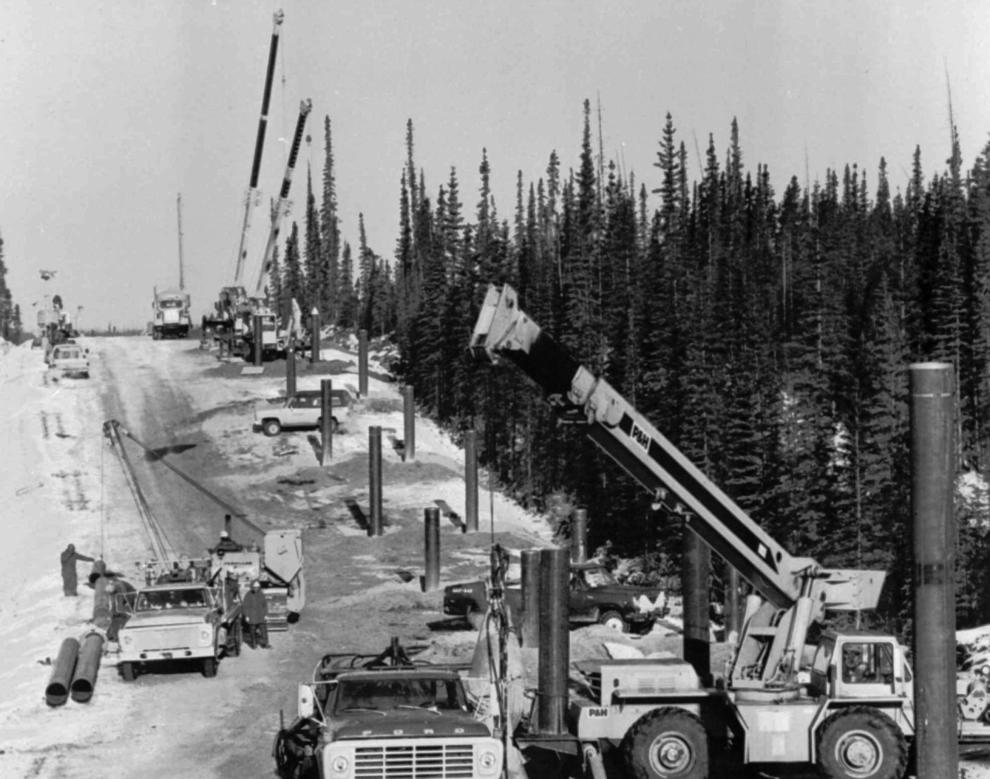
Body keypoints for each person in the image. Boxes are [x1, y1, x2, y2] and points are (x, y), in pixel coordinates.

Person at [241, 580, 270, 649]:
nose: (256, 588)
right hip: (252, 616)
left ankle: (265, 644)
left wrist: (265, 614)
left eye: (257, 587)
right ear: (252, 587)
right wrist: (247, 616)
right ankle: (254, 645)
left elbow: (264, 605)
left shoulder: (261, 594)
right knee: (252, 632)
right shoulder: (248, 595)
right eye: (255, 587)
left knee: (264, 631)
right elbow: (245, 606)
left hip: (261, 615)